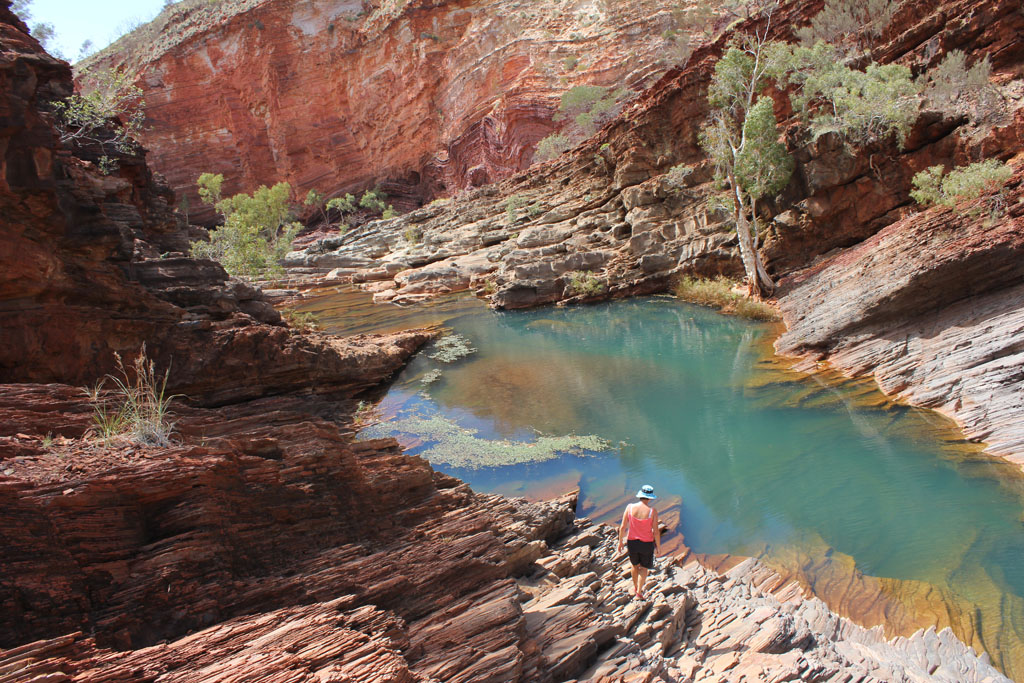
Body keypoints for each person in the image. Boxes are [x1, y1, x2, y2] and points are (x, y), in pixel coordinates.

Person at [617, 484, 661, 600]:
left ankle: (635, 587)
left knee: (634, 565)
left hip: (632, 542)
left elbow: (622, 527)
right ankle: (639, 593)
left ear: (640, 495)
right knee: (644, 568)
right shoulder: (652, 511)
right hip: (646, 544)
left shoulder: (630, 507)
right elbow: (656, 531)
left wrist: (620, 542)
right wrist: (658, 547)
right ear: (650, 497)